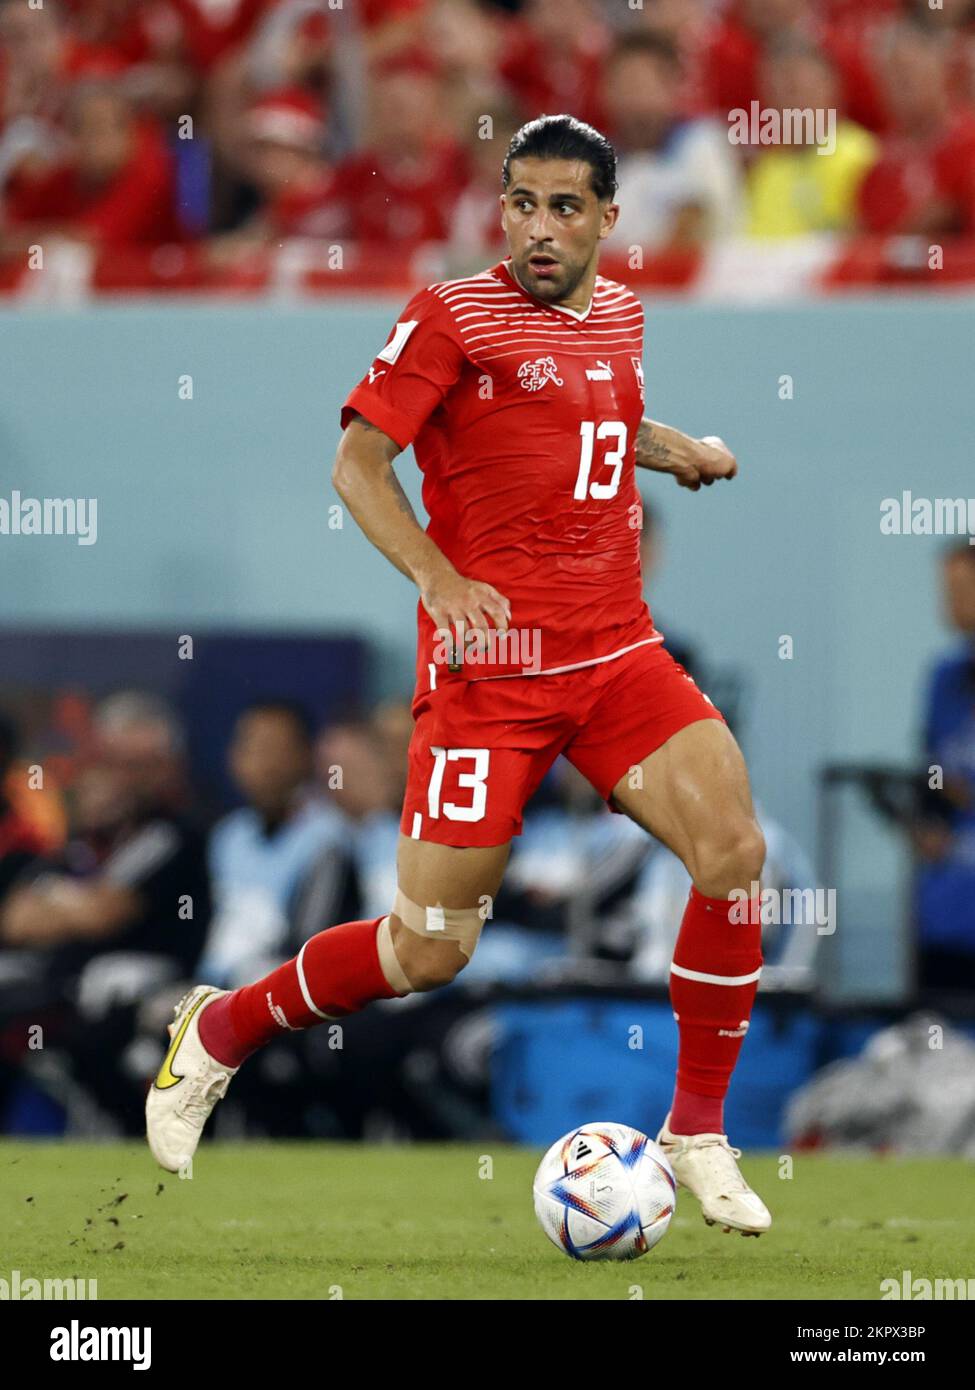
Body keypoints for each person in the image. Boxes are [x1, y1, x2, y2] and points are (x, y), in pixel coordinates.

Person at [147, 113, 771, 1237]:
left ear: (607, 220)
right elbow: (357, 461)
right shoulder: (451, 315)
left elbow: (585, 413)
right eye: (521, 202)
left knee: (734, 849)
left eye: (565, 207)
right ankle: (222, 1030)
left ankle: (699, 1128)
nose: (539, 227)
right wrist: (437, 579)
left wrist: (669, 446)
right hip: (493, 671)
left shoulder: (624, 312)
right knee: (426, 948)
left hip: (618, 650)